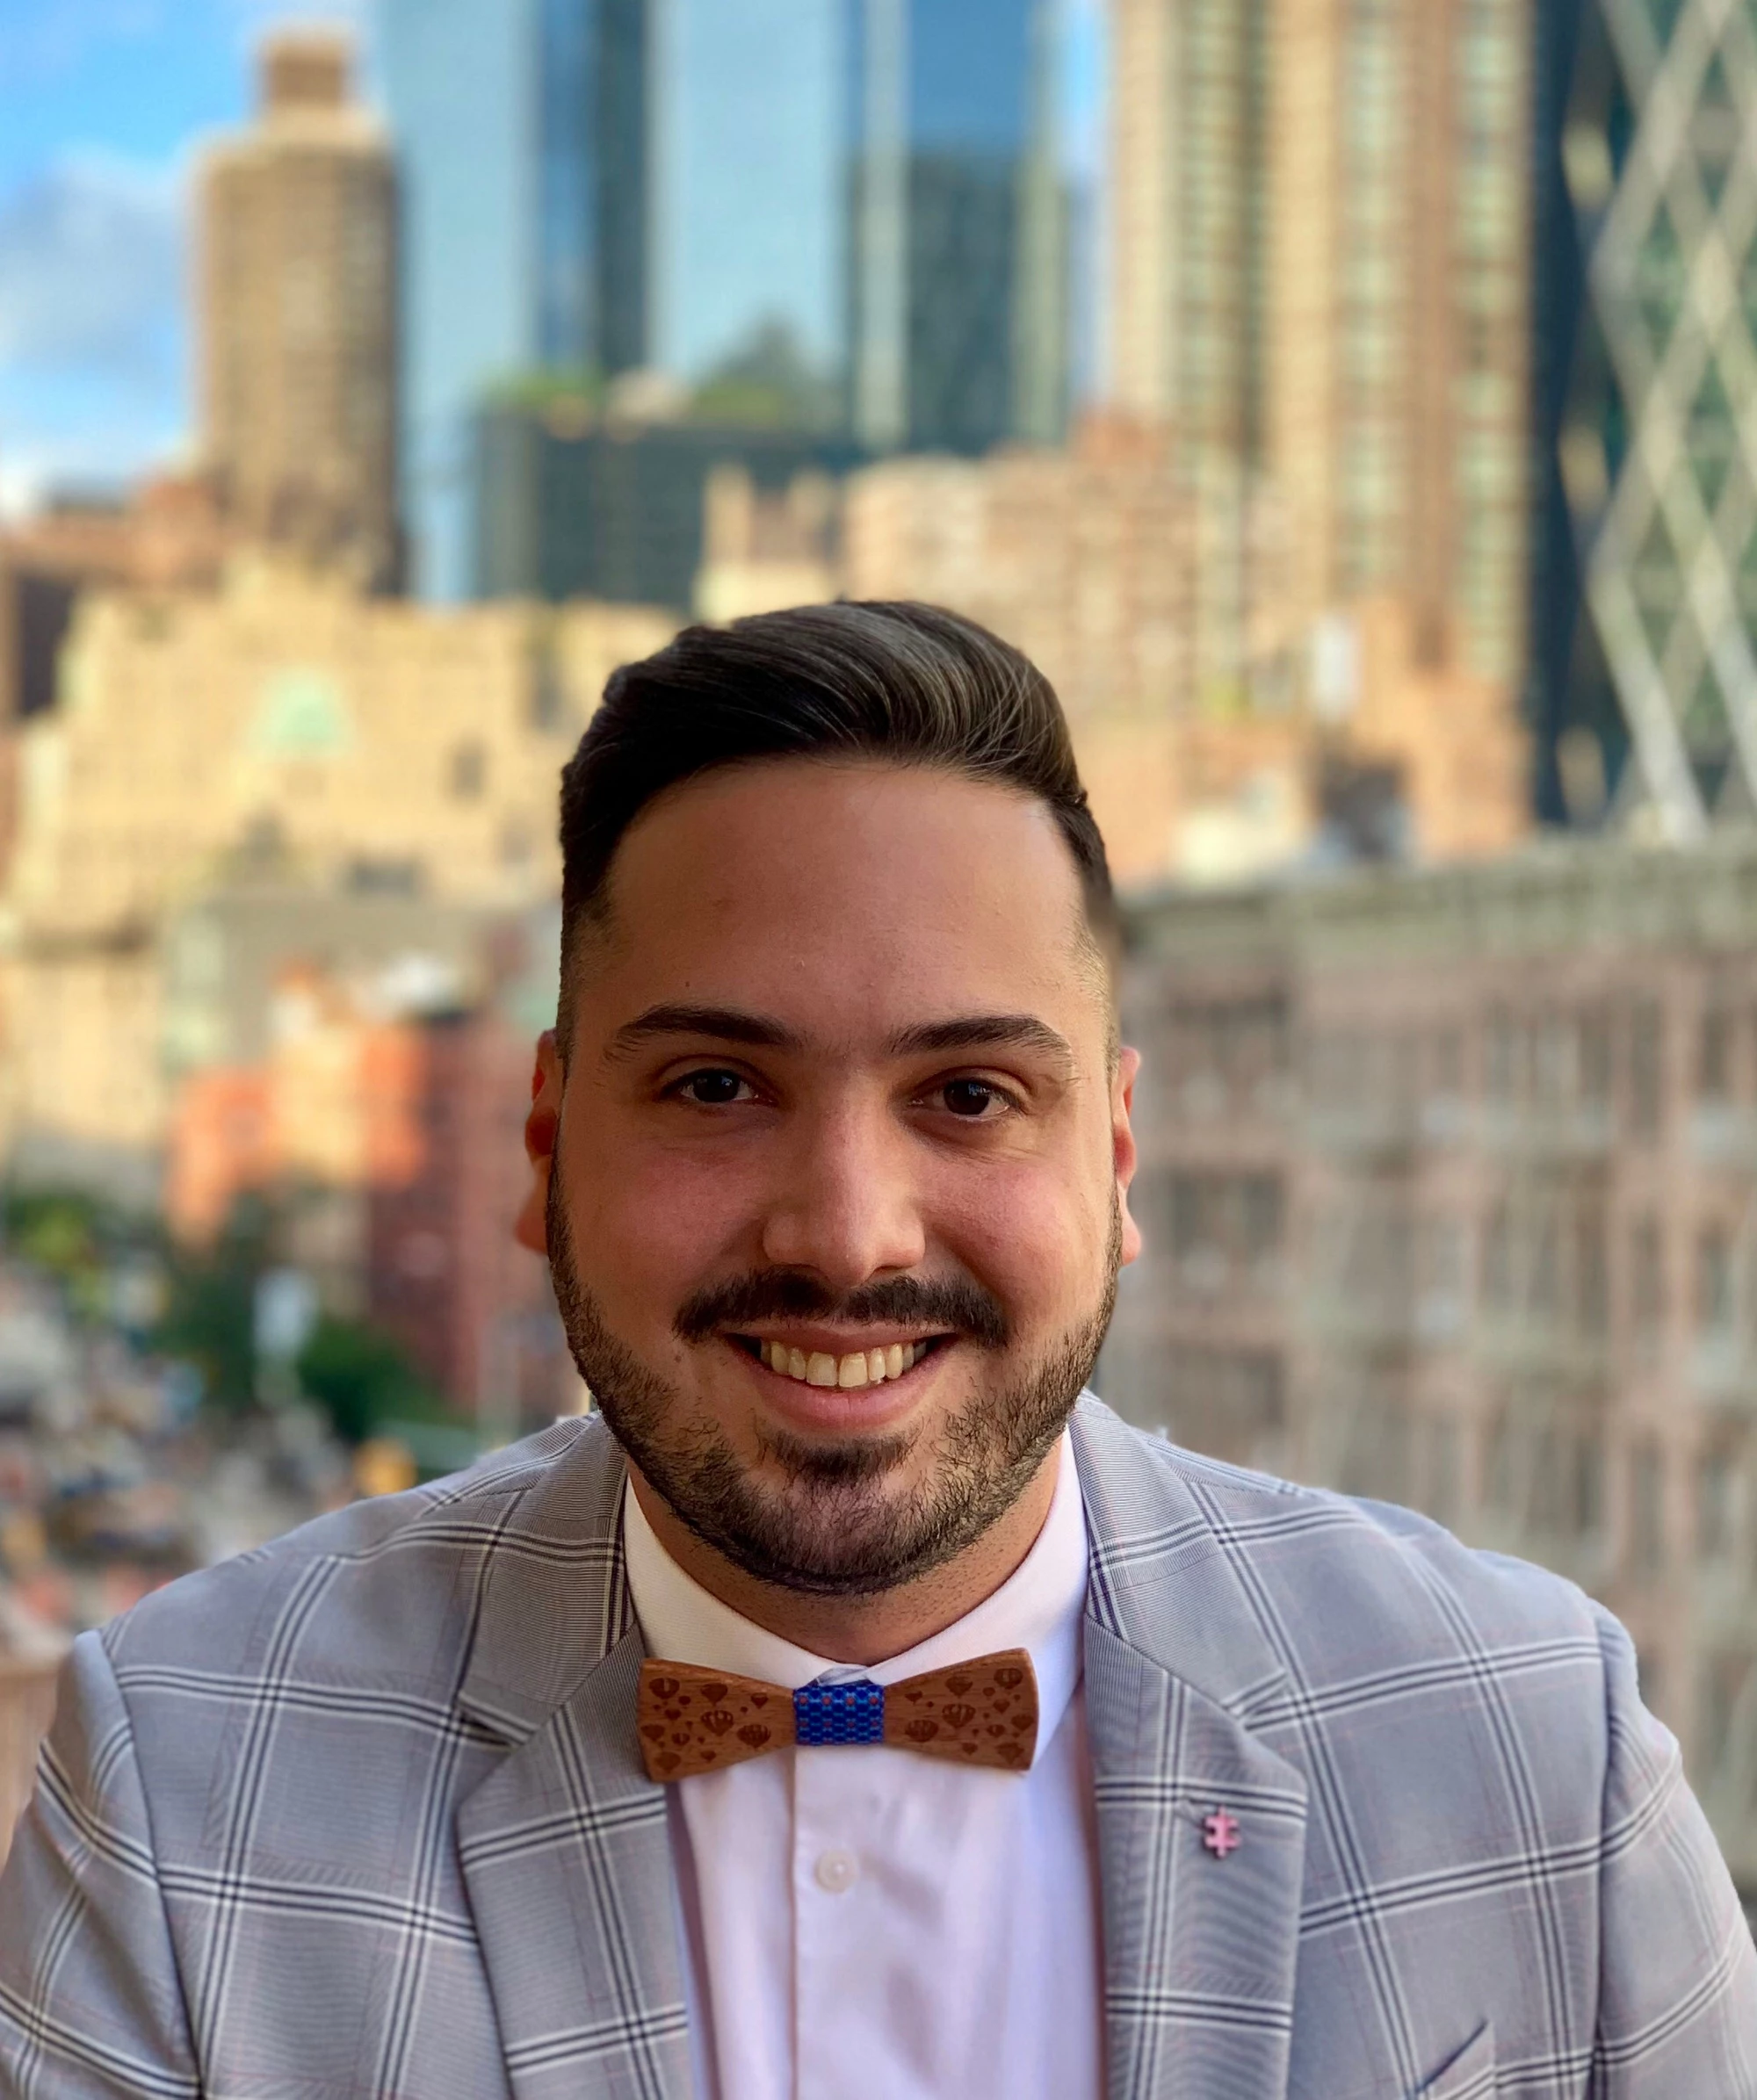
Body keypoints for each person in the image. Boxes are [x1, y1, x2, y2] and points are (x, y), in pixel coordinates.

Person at [2, 603, 1751, 2100]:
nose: (848, 1235)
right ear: (544, 1144)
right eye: (715, 1085)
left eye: (969, 1094)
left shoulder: (1539, 1760)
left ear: (1115, 1158)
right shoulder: (188, 1785)